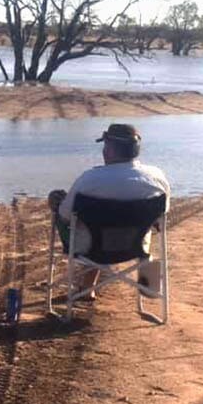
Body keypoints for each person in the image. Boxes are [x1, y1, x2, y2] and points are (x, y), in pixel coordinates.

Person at [48, 123, 170, 299]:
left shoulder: (89, 179)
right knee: (144, 225)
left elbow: (65, 216)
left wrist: (58, 204)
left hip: (92, 248)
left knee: (60, 202)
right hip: (136, 246)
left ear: (110, 150)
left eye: (105, 146)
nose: (103, 151)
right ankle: (146, 276)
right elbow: (161, 217)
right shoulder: (157, 177)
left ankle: (86, 289)